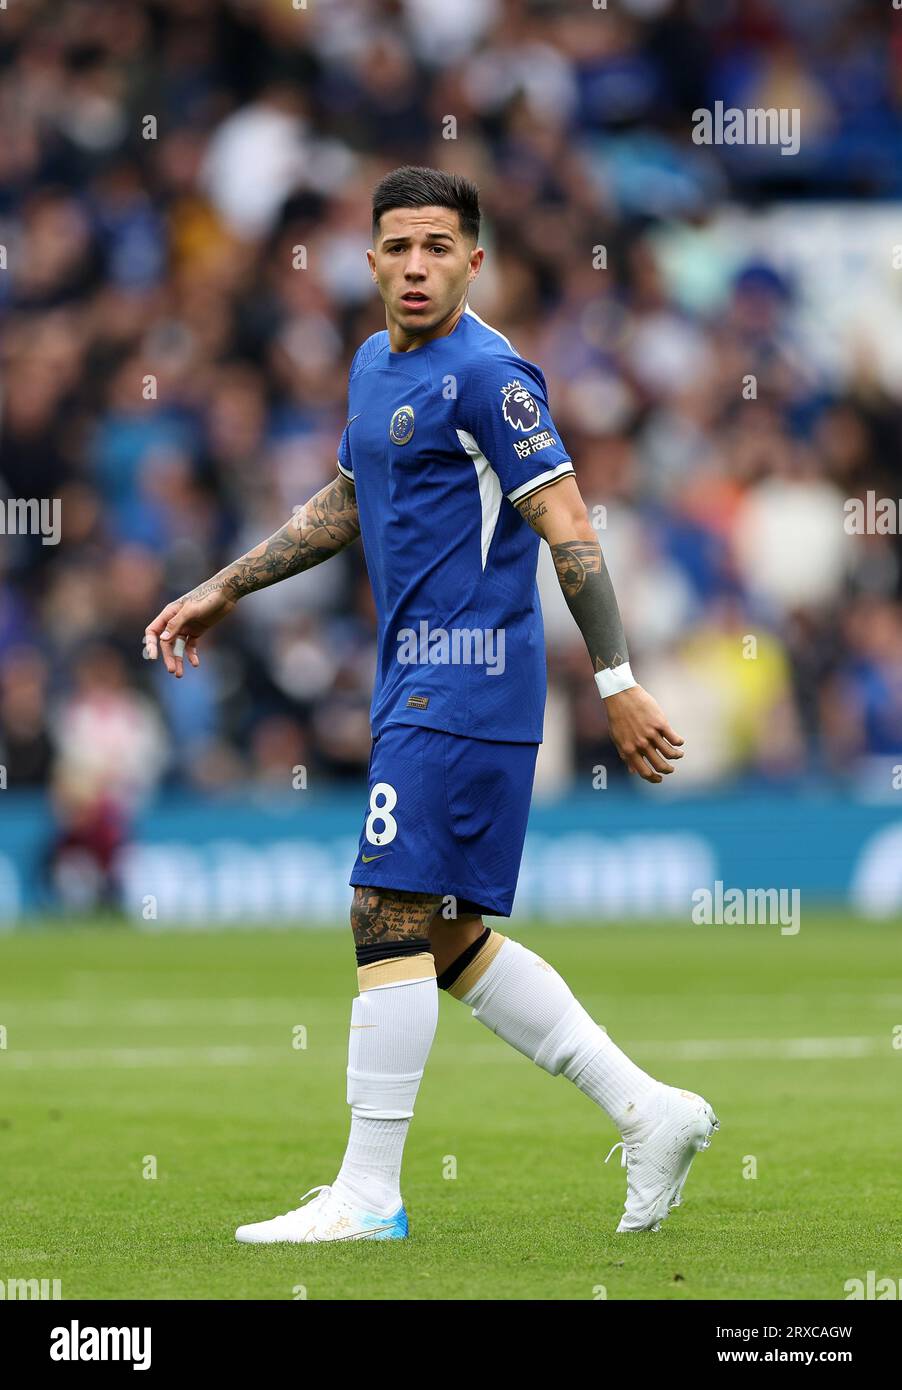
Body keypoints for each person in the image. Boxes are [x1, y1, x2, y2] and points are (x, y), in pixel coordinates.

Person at [143, 166, 717, 1243]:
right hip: (414, 679)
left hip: (468, 678)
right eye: (397, 247)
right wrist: (227, 581)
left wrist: (616, 681)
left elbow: (569, 527)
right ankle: (650, 1111)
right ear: (368, 260)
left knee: (381, 913)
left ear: (473, 261)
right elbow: (355, 494)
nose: (415, 266)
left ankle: (368, 1193)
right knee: (443, 935)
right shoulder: (371, 366)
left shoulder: (492, 378)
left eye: (438, 247)